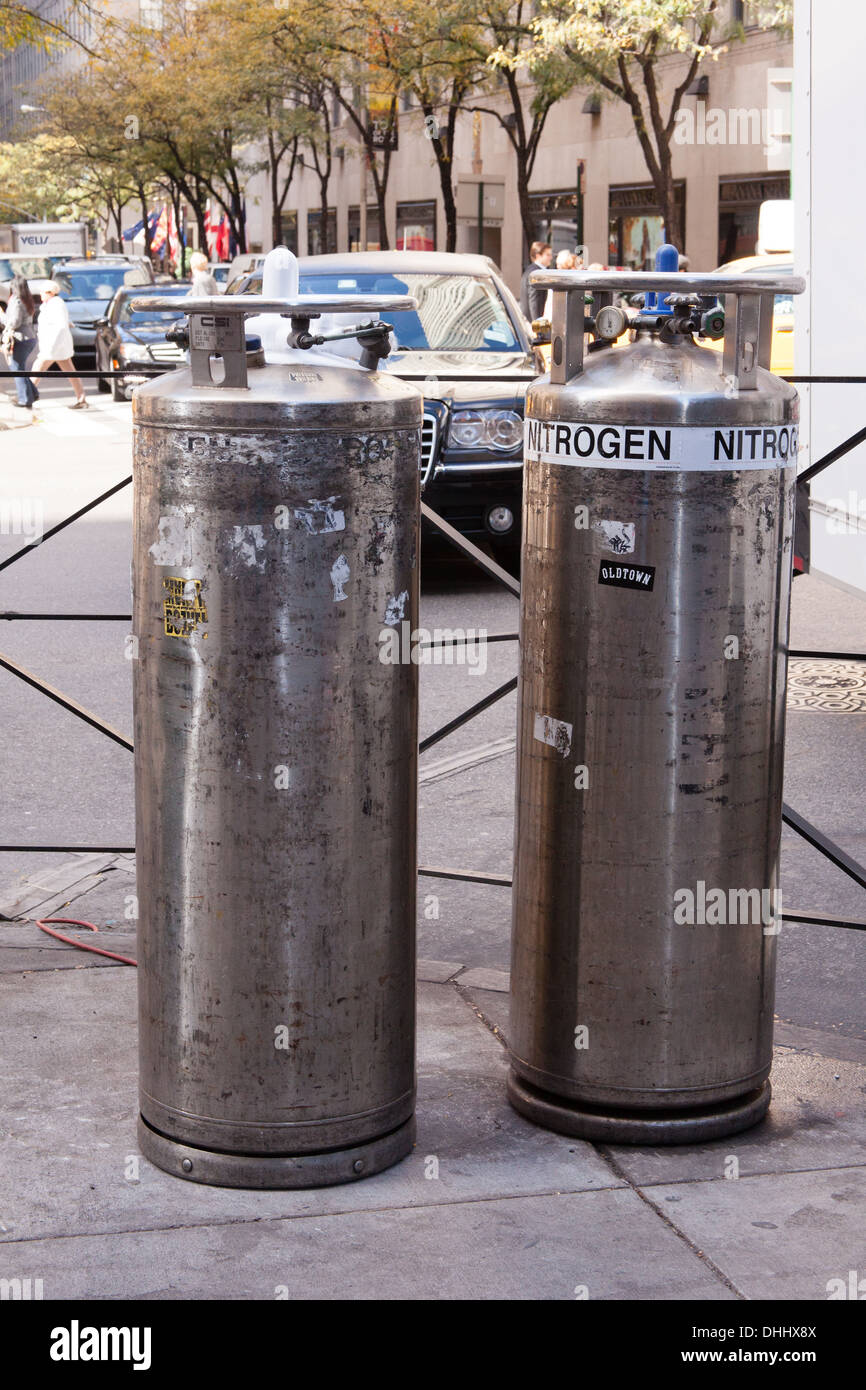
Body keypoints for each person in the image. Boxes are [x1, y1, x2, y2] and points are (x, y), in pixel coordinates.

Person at [32, 281, 87, 409]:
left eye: (42, 292)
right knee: (70, 372)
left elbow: (61, 325)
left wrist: (54, 345)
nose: (40, 294)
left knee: (37, 369)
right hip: (54, 346)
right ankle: (81, 398)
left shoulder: (56, 304)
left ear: (49, 293)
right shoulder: (50, 304)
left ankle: (26, 395)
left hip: (53, 346)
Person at [1, 274, 39, 408]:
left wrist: (1, 316)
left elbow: (14, 322)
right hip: (29, 338)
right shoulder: (27, 299)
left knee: (16, 369)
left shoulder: (16, 300)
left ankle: (24, 399)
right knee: (19, 368)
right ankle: (32, 393)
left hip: (20, 339)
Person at [542, 249, 579, 323]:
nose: (558, 266)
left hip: (559, 317)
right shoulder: (574, 277)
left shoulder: (556, 279)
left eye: (559, 264)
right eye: (557, 264)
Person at [520, 241, 552, 322]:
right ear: (538, 256)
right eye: (547, 255)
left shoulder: (532, 270)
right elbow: (534, 300)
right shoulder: (536, 273)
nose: (551, 257)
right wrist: (537, 325)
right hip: (534, 322)